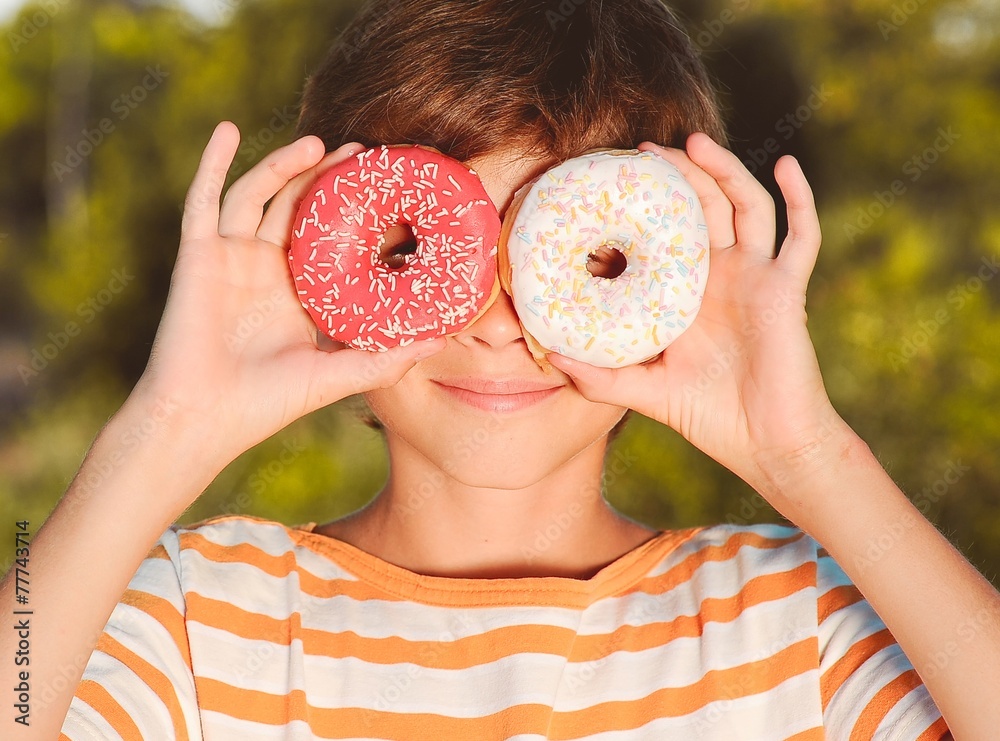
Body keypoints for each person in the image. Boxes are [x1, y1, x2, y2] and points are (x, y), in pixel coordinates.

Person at [4, 0, 998, 738]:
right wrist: (166, 428)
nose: (493, 325)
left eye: (576, 261)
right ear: (328, 267)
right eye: (423, 252)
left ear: (673, 279)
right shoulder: (195, 616)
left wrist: (810, 457)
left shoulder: (800, 627)